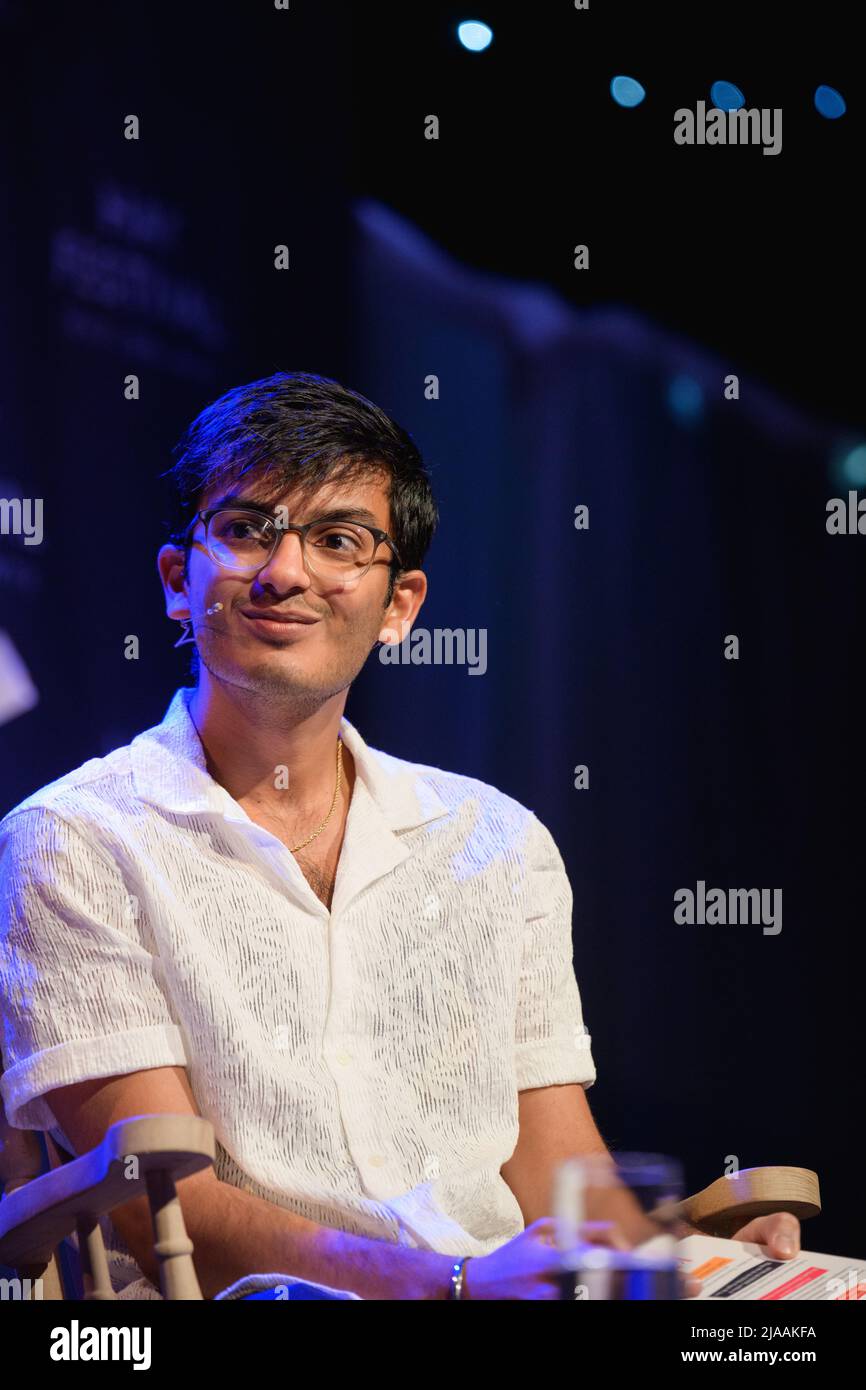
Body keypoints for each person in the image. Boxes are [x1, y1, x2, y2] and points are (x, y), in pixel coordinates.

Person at [0, 372, 801, 1300]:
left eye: (338, 539)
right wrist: (451, 1284)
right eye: (246, 528)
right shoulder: (74, 840)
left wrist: (695, 1263)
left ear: (398, 607)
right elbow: (159, 1205)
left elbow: (551, 1163)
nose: (286, 571)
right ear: (180, 582)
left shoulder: (497, 842)